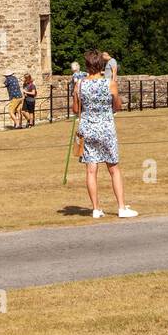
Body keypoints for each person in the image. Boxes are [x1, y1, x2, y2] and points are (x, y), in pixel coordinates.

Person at [72, 49, 136, 219]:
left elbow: (76, 109)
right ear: (101, 65)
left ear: (87, 65)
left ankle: (95, 208)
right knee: (113, 168)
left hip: (88, 128)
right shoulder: (109, 84)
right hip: (106, 128)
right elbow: (118, 106)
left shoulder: (80, 84)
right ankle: (121, 207)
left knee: (91, 170)